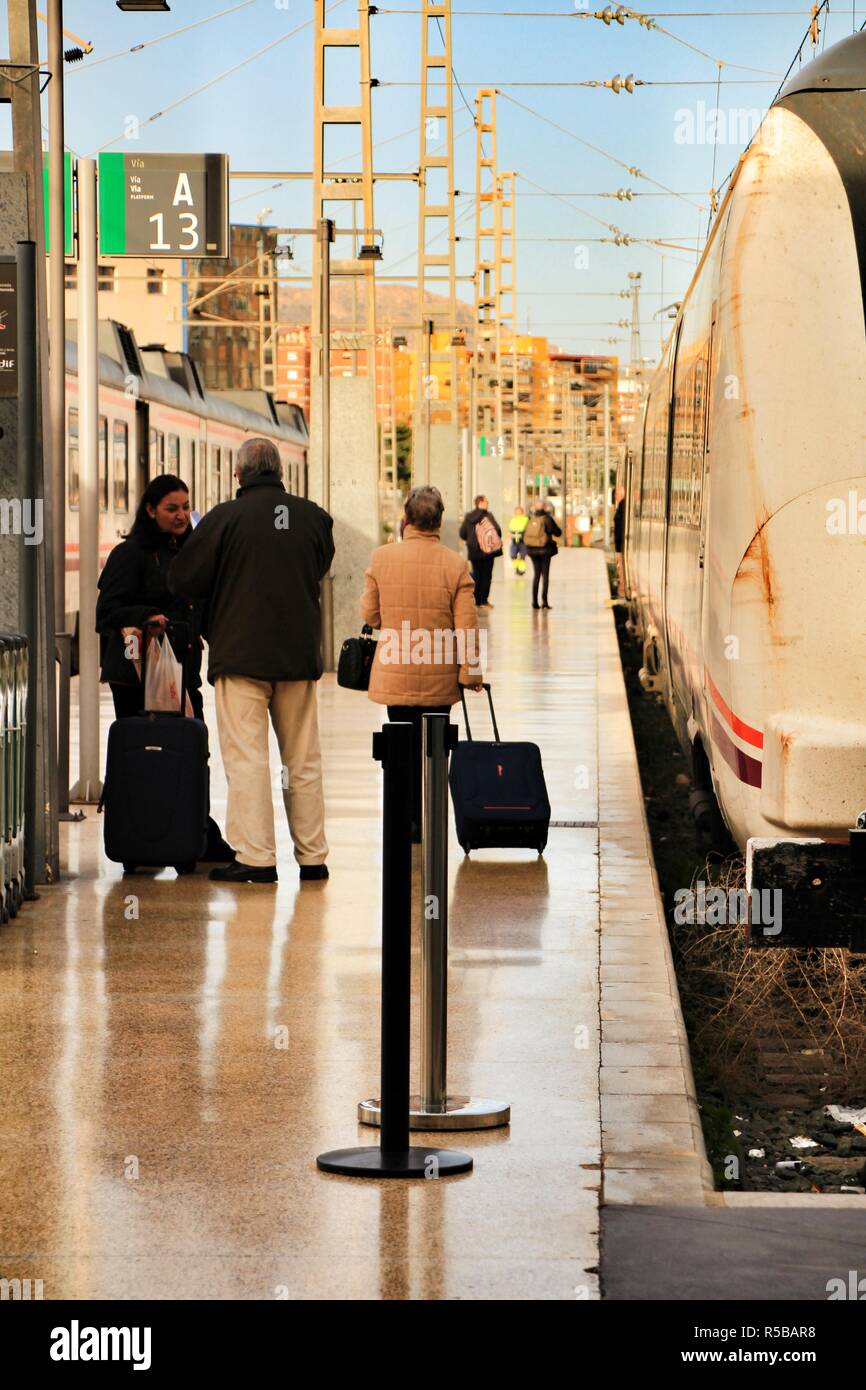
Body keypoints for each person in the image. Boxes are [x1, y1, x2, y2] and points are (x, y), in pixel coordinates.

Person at [169, 437, 335, 884]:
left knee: (247, 759)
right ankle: (313, 857)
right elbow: (318, 564)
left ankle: (258, 859)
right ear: (279, 471)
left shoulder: (223, 519)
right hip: (297, 657)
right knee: (303, 759)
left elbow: (184, 578)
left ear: (238, 474)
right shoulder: (314, 518)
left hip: (240, 656)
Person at [95, 473, 232, 863]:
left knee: (192, 749)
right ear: (151, 510)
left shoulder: (191, 552)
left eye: (186, 507)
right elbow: (105, 613)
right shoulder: (131, 554)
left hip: (182, 670)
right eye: (172, 508)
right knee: (145, 752)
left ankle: (193, 830)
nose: (181, 515)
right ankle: (143, 835)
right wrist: (146, 616)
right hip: (137, 676)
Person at [360, 485, 482, 841]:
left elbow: (370, 614)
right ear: (439, 522)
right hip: (439, 678)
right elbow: (467, 626)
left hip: (396, 671)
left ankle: (406, 821)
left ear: (406, 520)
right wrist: (471, 672)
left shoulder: (381, 558)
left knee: (400, 748)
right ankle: (430, 819)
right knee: (433, 751)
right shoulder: (456, 565)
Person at [459, 494, 502, 609]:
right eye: (486, 501)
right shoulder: (488, 516)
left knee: (476, 575)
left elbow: (462, 533)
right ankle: (483, 600)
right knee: (486, 575)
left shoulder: (469, 517)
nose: (488, 503)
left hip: (474, 551)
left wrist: (471, 540)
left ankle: (476, 600)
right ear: (481, 503)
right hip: (488, 550)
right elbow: (498, 530)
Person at [523, 503, 563, 611]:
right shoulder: (547, 519)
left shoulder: (530, 518)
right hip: (544, 550)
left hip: (532, 550)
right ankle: (544, 601)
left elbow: (524, 533)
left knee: (536, 575)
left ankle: (534, 602)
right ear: (545, 508)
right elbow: (557, 532)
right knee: (545, 576)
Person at [508, 505, 529, 576]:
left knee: (523, 556)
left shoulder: (526, 519)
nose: (518, 513)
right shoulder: (513, 520)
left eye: (519, 511)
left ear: (522, 512)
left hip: (523, 541)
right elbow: (510, 530)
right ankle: (516, 568)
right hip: (514, 540)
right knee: (513, 555)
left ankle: (522, 570)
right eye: (516, 512)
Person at [613, 484, 626, 596]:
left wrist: (619, 547)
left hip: (621, 545)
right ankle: (621, 591)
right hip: (620, 545)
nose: (615, 496)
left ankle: (622, 592)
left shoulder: (623, 507)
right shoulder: (621, 506)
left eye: (616, 494)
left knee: (621, 570)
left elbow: (620, 527)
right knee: (620, 569)